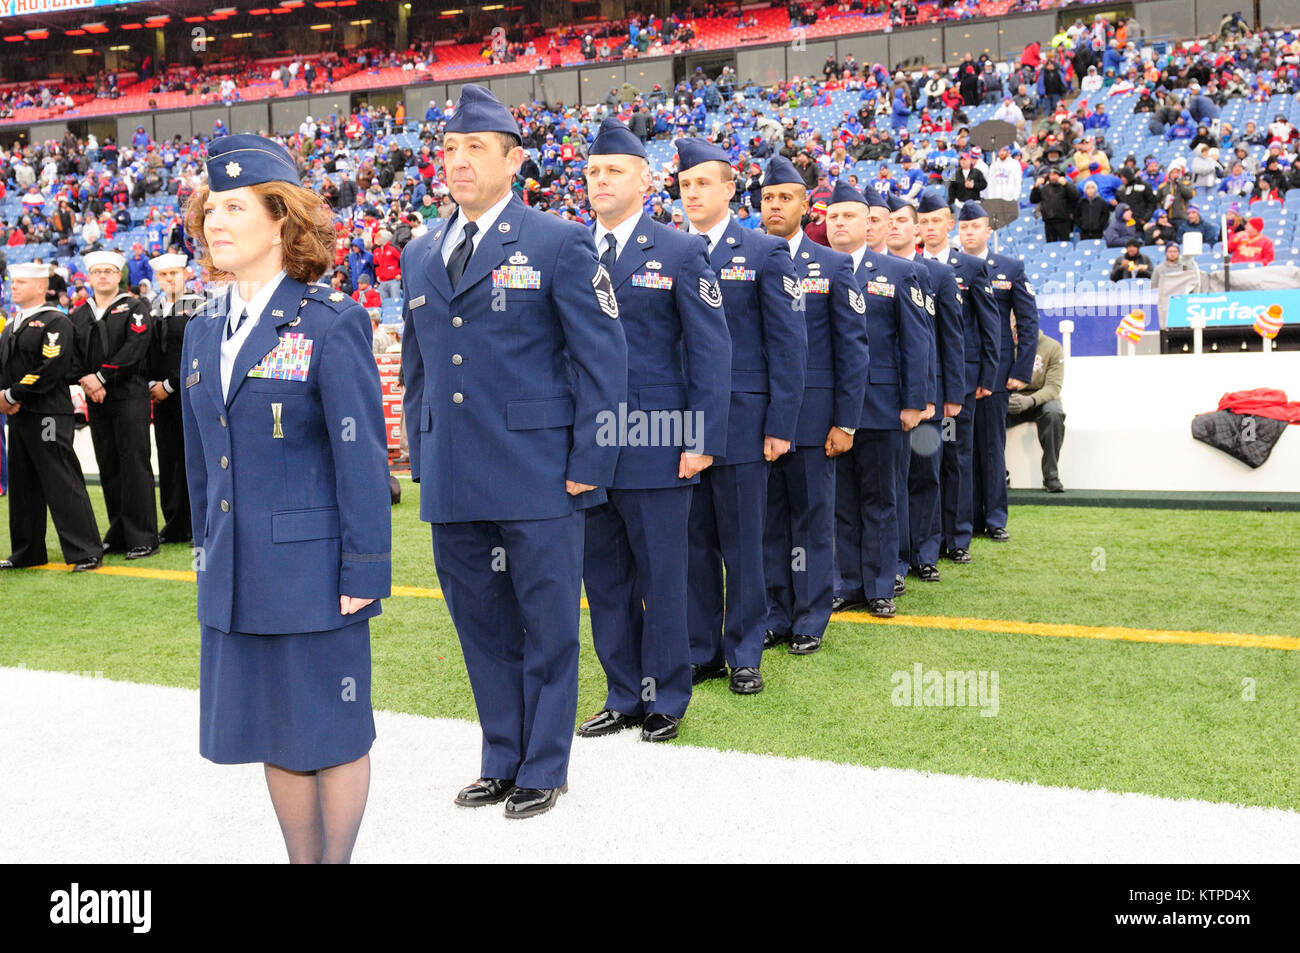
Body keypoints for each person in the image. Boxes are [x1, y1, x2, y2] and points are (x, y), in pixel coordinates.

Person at [400, 85, 627, 818]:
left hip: (539, 475)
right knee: (482, 627)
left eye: (474, 148)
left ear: (514, 160)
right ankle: (501, 755)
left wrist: (590, 464)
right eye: (448, 150)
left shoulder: (558, 242)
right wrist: (422, 452)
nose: (457, 162)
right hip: (455, 476)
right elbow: (419, 369)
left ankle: (545, 764)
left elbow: (603, 362)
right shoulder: (418, 252)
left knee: (549, 624)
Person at [180, 133, 391, 863]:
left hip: (313, 574)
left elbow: (361, 459)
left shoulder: (330, 321)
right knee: (277, 730)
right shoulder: (202, 330)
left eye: (235, 206)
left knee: (329, 732)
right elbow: (201, 463)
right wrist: (208, 551)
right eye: (211, 207)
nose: (215, 221)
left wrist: (362, 574)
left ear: (281, 220)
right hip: (240, 574)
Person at [576, 118, 730, 742]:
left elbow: (711, 351)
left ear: (644, 180)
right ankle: (623, 692)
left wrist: (700, 439)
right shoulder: (568, 249)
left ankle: (667, 693)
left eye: (614, 170)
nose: (601, 180)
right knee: (606, 580)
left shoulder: (680, 249)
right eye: (592, 171)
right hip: (586, 446)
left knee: (664, 576)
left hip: (656, 437)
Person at [676, 136, 806, 694]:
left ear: (731, 189)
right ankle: (702, 650)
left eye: (704, 182)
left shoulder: (763, 252)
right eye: (684, 184)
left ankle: (746, 650)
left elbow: (789, 344)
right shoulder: (669, 251)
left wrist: (780, 425)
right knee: (693, 543)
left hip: (744, 424)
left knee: (744, 545)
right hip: (681, 427)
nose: (692, 193)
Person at [759, 155, 868, 655]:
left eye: (785, 197)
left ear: (807, 206)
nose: (775, 205)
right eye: (767, 198)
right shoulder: (748, 258)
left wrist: (846, 420)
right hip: (759, 420)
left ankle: (810, 617)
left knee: (812, 522)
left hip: (814, 419)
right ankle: (776, 613)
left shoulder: (832, 265)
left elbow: (852, 348)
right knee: (767, 524)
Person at [827, 183, 927, 618]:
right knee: (842, 502)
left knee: (882, 498)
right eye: (832, 217)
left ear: (868, 222)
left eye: (849, 216)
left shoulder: (899, 272)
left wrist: (914, 402)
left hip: (884, 405)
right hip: (832, 408)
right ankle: (848, 583)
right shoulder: (816, 269)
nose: (839, 224)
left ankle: (881, 584)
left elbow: (916, 342)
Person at [0, 263, 103, 572]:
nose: (13, 286)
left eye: (21, 282)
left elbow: (52, 367)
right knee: (22, 485)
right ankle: (27, 551)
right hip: (18, 415)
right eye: (13, 281)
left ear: (41, 286)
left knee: (61, 480)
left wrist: (12, 394)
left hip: (47, 415)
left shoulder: (55, 321)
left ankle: (86, 551)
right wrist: (4, 396)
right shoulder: (10, 325)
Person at [886, 193, 963, 587]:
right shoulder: (868, 270)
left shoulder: (937, 275)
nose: (895, 225)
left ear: (915, 228)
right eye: (890, 219)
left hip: (929, 394)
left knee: (925, 473)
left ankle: (926, 553)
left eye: (902, 220)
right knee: (891, 481)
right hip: (886, 394)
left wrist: (952, 394)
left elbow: (950, 338)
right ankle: (896, 559)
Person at [917, 199, 999, 567]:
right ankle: (929, 539)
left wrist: (986, 376)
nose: (930, 227)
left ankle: (958, 536)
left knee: (956, 458)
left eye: (936, 221)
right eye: (924, 222)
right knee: (926, 462)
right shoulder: (909, 267)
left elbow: (987, 325)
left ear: (949, 224)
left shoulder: (971, 267)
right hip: (924, 381)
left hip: (959, 382)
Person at [68, 249, 159, 560]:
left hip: (130, 395)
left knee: (134, 464)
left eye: (109, 271)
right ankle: (118, 532)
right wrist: (87, 380)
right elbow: (73, 356)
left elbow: (136, 347)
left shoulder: (135, 306)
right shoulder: (79, 314)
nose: (103, 276)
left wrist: (101, 378)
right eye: (97, 271)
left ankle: (143, 537)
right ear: (89, 277)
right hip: (97, 399)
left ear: (118, 275)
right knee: (108, 465)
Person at [957, 202, 1037, 543]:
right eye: (963, 228)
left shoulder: (1009, 267)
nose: (969, 233)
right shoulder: (950, 266)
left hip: (998, 372)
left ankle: (994, 517)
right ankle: (968, 518)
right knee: (961, 448)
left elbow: (1028, 321)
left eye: (975, 227)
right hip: (959, 370)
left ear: (988, 230)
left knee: (991, 446)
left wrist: (1020, 369)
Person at [145, 252, 204, 545]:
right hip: (159, 397)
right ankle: (173, 522)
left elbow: (198, 355)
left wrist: (170, 384)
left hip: (189, 394)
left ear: (186, 274)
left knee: (192, 457)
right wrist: (152, 384)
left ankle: (196, 521)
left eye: (174, 274)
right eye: (163, 275)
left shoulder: (200, 307)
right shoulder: (151, 309)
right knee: (167, 458)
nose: (169, 279)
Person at [1006, 331, 1065, 493]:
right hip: (1011, 400)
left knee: (1054, 413)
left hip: (1040, 401)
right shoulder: (1004, 344)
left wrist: (1030, 400)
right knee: (988, 412)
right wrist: (1005, 400)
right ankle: (999, 474)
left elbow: (1053, 387)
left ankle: (1051, 475)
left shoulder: (1052, 347)